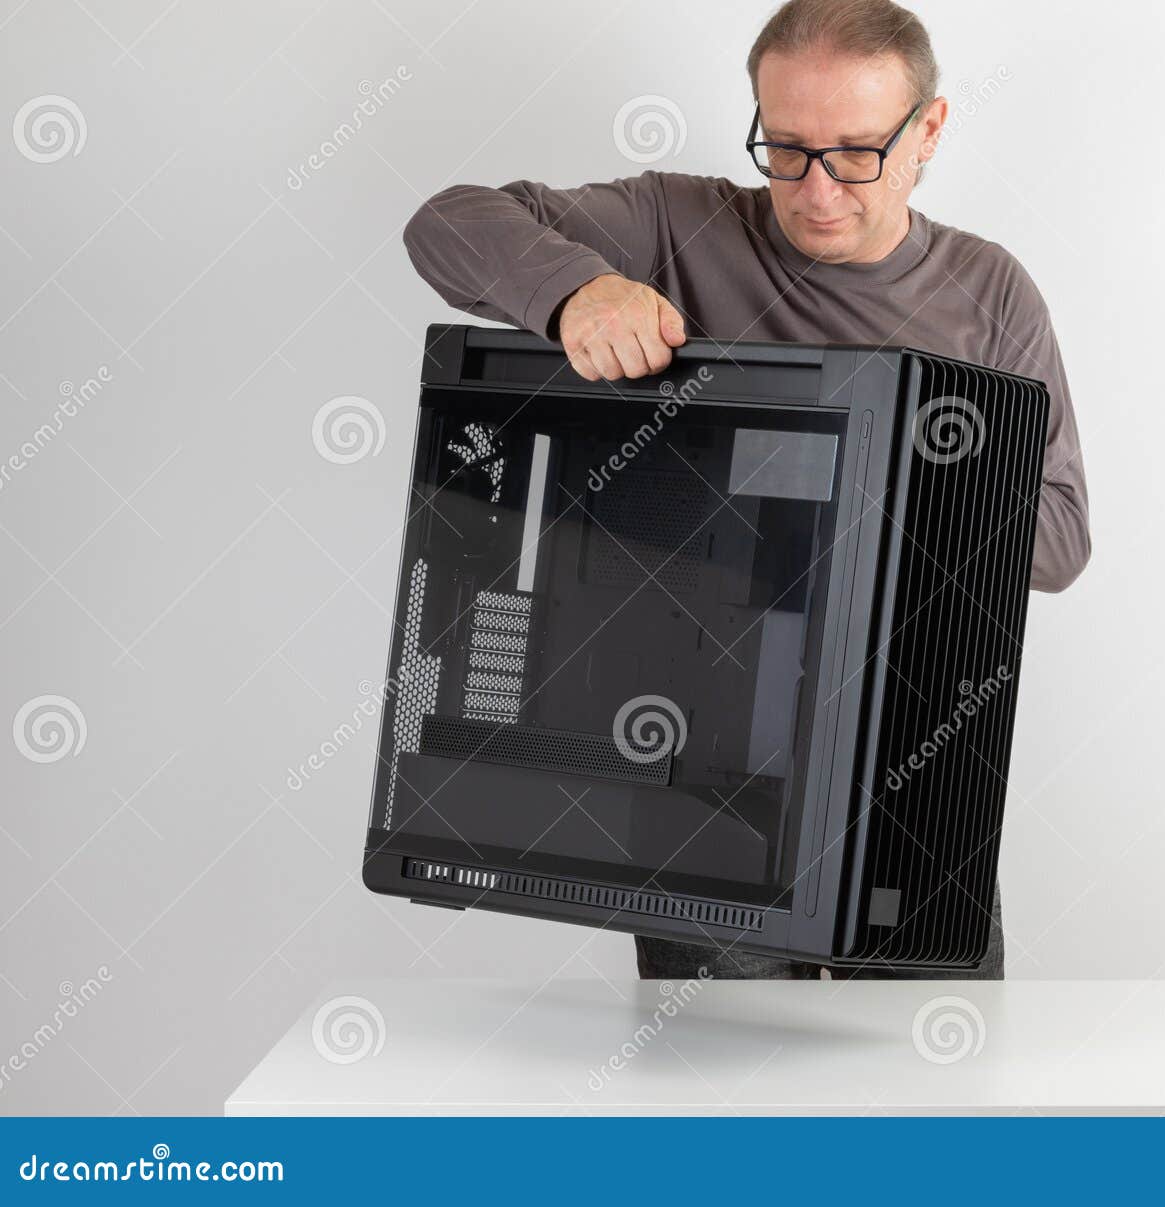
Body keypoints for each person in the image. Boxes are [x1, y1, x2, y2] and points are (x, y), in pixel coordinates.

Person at [403, 0, 1090, 981]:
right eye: (786, 148)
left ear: (928, 129)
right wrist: (574, 293)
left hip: (911, 782)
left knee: (933, 1104)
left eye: (855, 151)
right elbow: (448, 222)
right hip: (693, 775)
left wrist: (854, 488)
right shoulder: (673, 225)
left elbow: (1059, 537)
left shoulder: (990, 293)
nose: (814, 191)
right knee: (723, 1105)